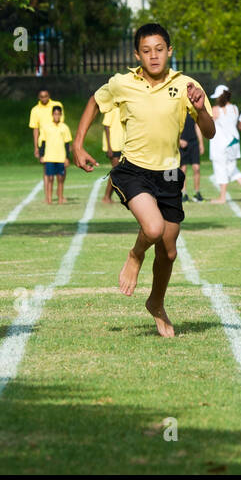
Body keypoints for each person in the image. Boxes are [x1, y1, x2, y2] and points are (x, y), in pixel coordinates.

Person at [71, 23, 215, 338]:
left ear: (170, 51)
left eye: (159, 49)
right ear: (137, 54)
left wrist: (202, 110)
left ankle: (156, 303)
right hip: (134, 169)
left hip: (168, 175)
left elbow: (210, 131)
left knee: (169, 251)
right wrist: (78, 143)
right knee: (152, 229)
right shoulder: (122, 83)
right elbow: (95, 101)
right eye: (146, 51)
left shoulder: (186, 84)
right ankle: (135, 255)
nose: (153, 56)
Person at [207, 85, 241, 203]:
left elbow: (207, 122)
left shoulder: (216, 109)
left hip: (221, 144)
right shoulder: (235, 108)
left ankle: (222, 197)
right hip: (233, 142)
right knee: (232, 169)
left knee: (221, 169)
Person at [40, 105, 71, 205]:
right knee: (50, 178)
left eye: (58, 114)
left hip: (61, 157)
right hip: (49, 156)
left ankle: (60, 199)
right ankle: (49, 199)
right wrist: (42, 155)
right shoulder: (46, 127)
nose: (56, 116)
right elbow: (43, 142)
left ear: (61, 115)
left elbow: (67, 144)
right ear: (52, 115)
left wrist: (67, 158)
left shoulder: (64, 127)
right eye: (55, 114)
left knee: (60, 179)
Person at [29, 89, 64, 165]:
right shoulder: (35, 110)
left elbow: (62, 124)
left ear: (49, 96)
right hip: (44, 141)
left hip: (57, 140)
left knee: (61, 165)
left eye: (45, 96)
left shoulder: (57, 105)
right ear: (39, 97)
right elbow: (35, 129)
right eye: (41, 97)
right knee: (46, 166)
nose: (44, 98)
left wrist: (64, 141)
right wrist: (36, 147)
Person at [178, 112, 204, 202]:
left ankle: (197, 193)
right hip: (182, 143)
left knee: (196, 168)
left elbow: (197, 127)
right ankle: (183, 193)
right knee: (183, 169)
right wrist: (179, 140)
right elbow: (173, 127)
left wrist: (201, 143)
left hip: (193, 143)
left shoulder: (193, 111)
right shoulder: (178, 109)